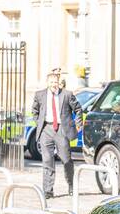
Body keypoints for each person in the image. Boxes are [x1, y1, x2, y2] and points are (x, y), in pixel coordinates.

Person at [30, 69, 82, 199]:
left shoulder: (67, 95)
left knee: (66, 160)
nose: (54, 84)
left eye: (56, 82)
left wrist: (78, 124)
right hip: (46, 130)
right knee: (47, 160)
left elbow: (78, 109)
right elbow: (34, 110)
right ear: (47, 83)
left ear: (59, 82)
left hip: (62, 130)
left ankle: (71, 186)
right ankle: (48, 190)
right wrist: (39, 123)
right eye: (52, 82)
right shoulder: (39, 95)